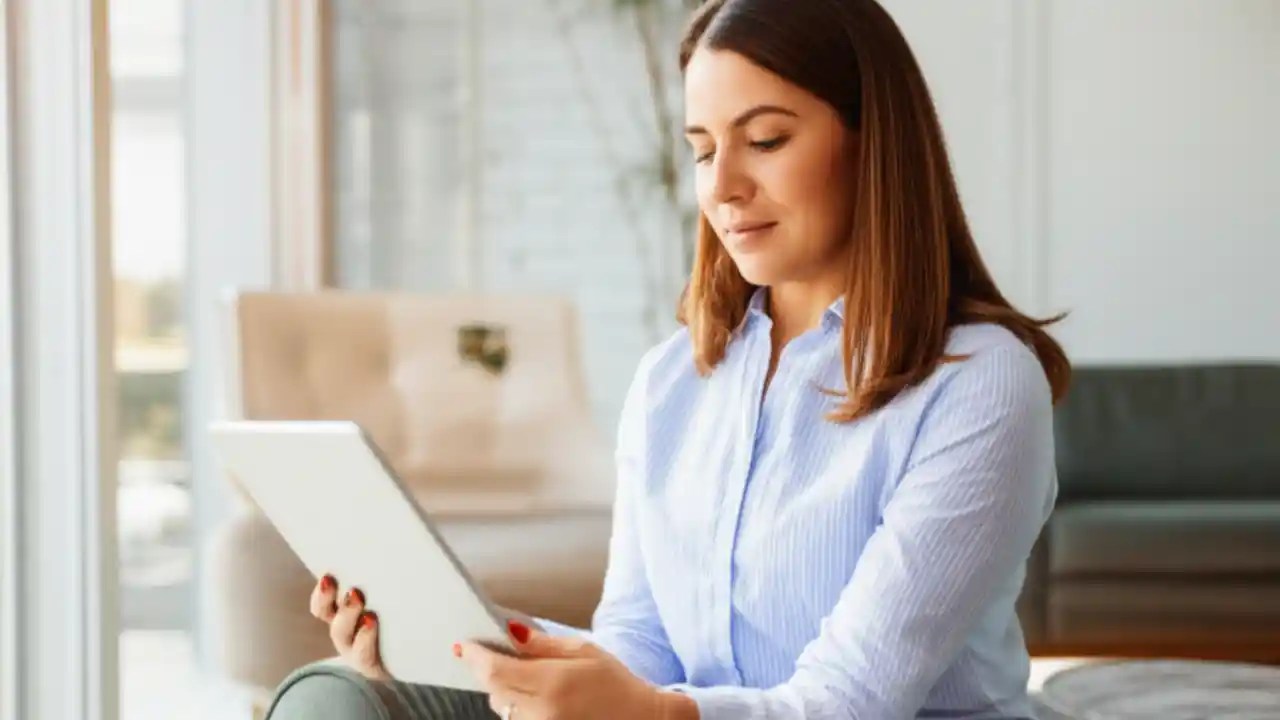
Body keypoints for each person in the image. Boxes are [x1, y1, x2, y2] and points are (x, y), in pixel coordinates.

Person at [264, 0, 1071, 717]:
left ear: (874, 144)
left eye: (765, 139)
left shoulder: (979, 382)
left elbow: (850, 700)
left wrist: (653, 716)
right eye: (700, 149)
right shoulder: (674, 380)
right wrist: (449, 635)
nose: (722, 186)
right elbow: (639, 648)